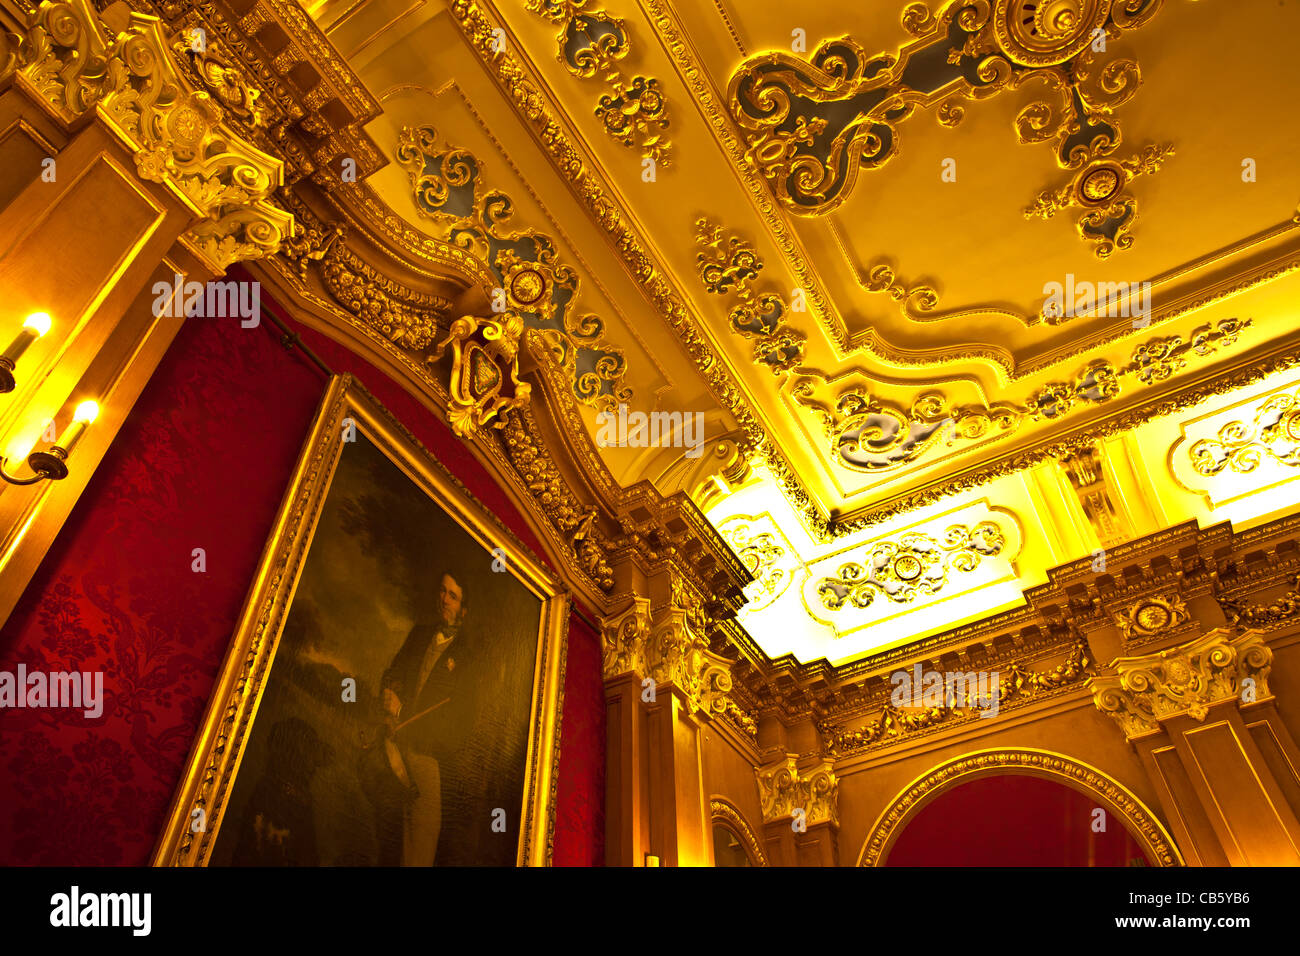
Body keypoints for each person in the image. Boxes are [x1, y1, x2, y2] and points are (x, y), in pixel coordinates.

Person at [371, 569, 481, 865]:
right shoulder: (420, 634)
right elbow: (393, 672)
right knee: (383, 839)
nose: (444, 600)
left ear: (464, 610)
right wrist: (390, 694)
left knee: (418, 845)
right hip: (393, 746)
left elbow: (458, 721)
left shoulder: (467, 659)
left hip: (428, 761)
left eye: (453, 597)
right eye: (443, 591)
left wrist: (403, 711)